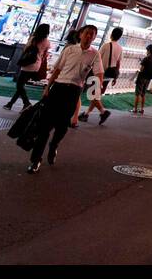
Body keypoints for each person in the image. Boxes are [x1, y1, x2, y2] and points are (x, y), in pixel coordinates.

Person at [26, 25, 102, 174]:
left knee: (62, 126)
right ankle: (36, 160)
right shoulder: (69, 50)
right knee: (44, 126)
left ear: (94, 38)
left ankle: (54, 145)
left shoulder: (94, 54)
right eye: (87, 33)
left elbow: (99, 73)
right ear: (80, 35)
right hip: (58, 88)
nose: (89, 36)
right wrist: (48, 87)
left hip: (73, 91)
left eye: (92, 35)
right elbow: (58, 69)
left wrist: (97, 90)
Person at [79, 27, 122, 125]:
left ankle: (103, 112)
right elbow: (118, 63)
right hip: (110, 74)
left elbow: (96, 57)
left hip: (100, 73)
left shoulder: (106, 45)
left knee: (93, 94)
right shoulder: (120, 48)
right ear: (119, 37)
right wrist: (116, 77)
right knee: (96, 95)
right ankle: (86, 114)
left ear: (111, 34)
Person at [3, 23, 50, 110]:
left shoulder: (33, 39)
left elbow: (26, 49)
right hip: (37, 64)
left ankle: (26, 102)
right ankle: (10, 104)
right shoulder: (47, 42)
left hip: (28, 63)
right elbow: (45, 54)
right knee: (21, 85)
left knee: (19, 85)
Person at [133, 43, 152, 114]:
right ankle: (141, 109)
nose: (146, 52)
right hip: (148, 79)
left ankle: (135, 109)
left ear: (149, 50)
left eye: (147, 50)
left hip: (141, 77)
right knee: (143, 94)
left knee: (137, 94)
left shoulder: (146, 58)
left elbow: (141, 69)